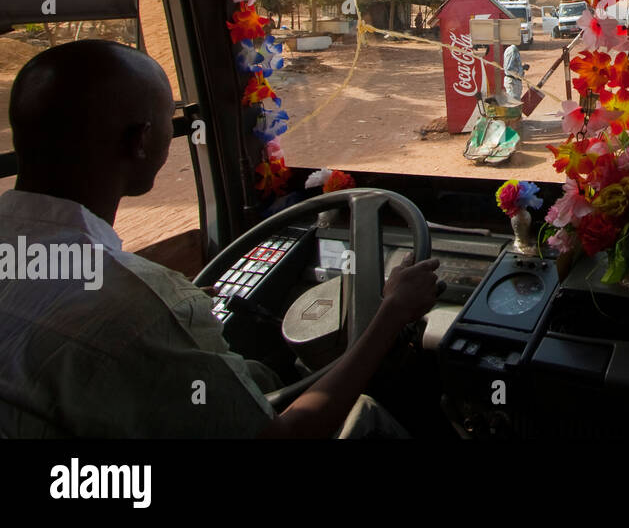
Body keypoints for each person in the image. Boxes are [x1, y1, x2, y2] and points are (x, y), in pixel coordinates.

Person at [0, 40, 442, 438]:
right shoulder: (145, 307)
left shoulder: (143, 303)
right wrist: (390, 315)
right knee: (365, 417)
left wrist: (173, 311)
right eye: (167, 122)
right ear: (140, 141)